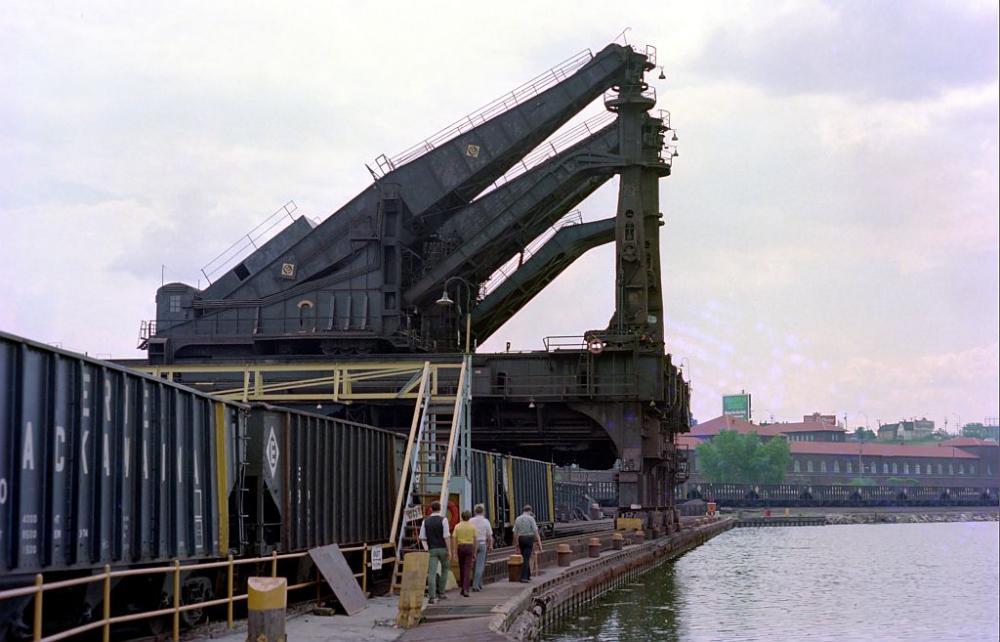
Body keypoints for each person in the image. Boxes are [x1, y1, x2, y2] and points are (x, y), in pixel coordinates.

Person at [419, 501, 450, 604]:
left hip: (432, 549)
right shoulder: (444, 520)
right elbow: (446, 536)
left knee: (431, 573)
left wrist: (426, 548)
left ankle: (432, 597)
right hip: (442, 548)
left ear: (431, 509)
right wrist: (449, 550)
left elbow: (422, 537)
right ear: (440, 508)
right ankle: (441, 592)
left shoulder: (425, 521)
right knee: (445, 569)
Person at [512, 504, 542, 582]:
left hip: (521, 539)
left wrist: (516, 543)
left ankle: (528, 575)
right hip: (529, 539)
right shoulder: (531, 519)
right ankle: (524, 577)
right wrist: (539, 543)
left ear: (523, 510)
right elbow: (536, 531)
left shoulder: (518, 519)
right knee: (526, 558)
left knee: (524, 556)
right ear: (530, 511)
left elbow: (515, 532)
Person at [452, 510, 477, 597]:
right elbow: (475, 540)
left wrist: (454, 551)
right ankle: (466, 589)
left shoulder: (457, 526)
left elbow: (454, 538)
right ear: (469, 517)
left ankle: (463, 588)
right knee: (467, 568)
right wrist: (474, 552)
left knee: (461, 568)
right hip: (469, 547)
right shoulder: (472, 527)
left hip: (460, 547)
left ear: (462, 516)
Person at [470, 503, 493, 591]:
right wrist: (490, 545)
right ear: (483, 512)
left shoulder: (471, 521)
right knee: (480, 565)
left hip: (472, 544)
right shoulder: (485, 521)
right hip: (482, 544)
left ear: (475, 511)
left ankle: (479, 583)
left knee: (474, 565)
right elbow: (489, 535)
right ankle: (475, 585)